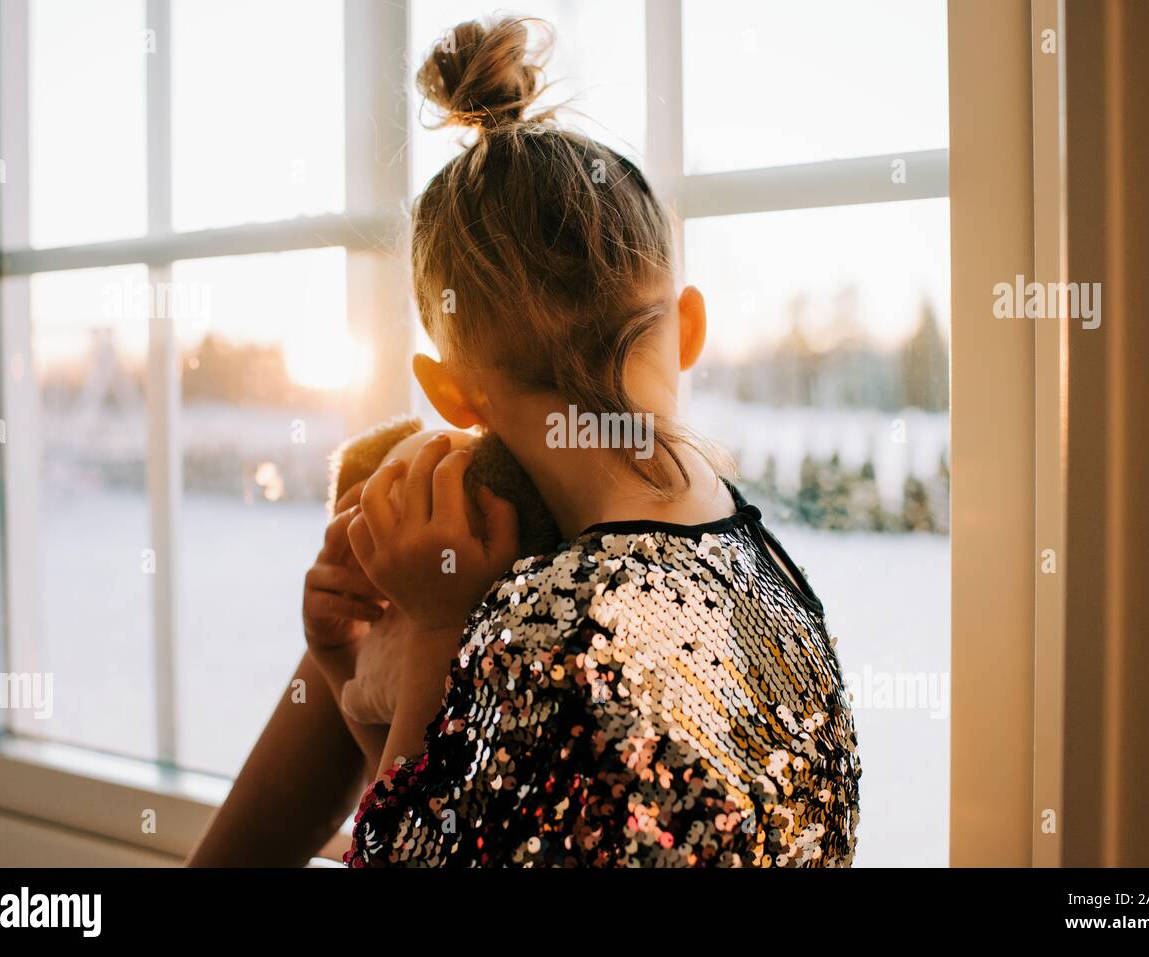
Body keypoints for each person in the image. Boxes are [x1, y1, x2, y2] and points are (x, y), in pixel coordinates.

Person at [332, 15, 861, 868]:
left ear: (450, 393)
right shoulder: (768, 564)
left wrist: (432, 629)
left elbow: (404, 853)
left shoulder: (540, 629)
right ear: (687, 327)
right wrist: (341, 670)